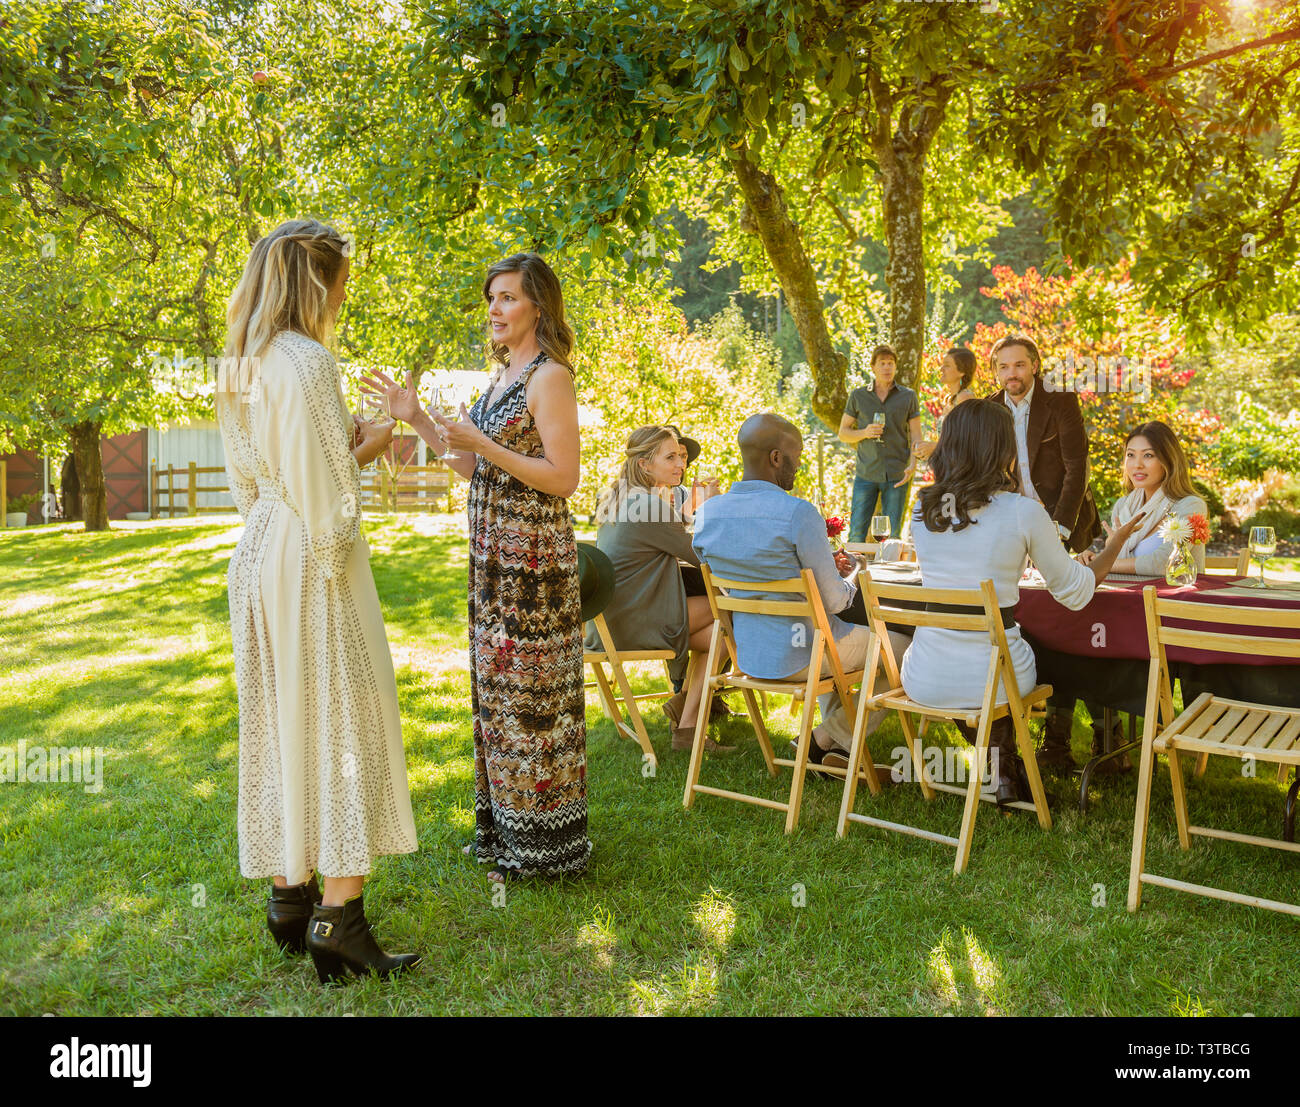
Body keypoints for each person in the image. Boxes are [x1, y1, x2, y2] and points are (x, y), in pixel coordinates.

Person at [217, 218, 420, 984]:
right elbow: (327, 496)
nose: (343, 295)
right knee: (343, 708)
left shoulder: (242, 358)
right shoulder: (305, 360)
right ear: (320, 282)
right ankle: (339, 917)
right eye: (341, 282)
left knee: (284, 717)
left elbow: (254, 478)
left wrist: (335, 456)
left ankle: (288, 895)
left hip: (262, 543)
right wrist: (360, 451)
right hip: (310, 554)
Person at [363, 252, 591, 884]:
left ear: (539, 306)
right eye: (491, 298)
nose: (494, 309)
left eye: (508, 298)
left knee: (533, 699)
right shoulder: (498, 379)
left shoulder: (549, 377)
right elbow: (473, 466)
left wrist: (483, 443)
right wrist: (419, 422)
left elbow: (564, 478)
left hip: (533, 562)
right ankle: (504, 836)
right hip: (491, 553)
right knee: (496, 693)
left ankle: (545, 851)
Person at [901, 399, 1148, 804]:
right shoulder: (1023, 512)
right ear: (1002, 449)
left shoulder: (922, 508)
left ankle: (1003, 765)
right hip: (993, 681)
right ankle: (1014, 760)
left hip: (925, 676)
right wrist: (1114, 545)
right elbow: (1075, 592)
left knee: (1001, 650)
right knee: (1040, 649)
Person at [692, 413, 904, 768]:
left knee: (841, 643)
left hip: (747, 656)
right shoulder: (797, 513)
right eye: (797, 455)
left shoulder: (708, 515)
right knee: (903, 647)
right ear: (776, 458)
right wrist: (852, 573)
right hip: (802, 655)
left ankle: (834, 748)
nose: (799, 464)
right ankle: (823, 738)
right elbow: (835, 601)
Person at [1042, 421, 1209, 772]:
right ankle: (1069, 740)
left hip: (1167, 618)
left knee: (1086, 640)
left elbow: (1160, 564)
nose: (1137, 464)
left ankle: (1109, 739)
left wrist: (1105, 562)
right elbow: (1119, 563)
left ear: (1168, 460)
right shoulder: (1125, 505)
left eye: (1148, 455)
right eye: (1131, 455)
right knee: (1065, 637)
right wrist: (1091, 558)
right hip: (1121, 609)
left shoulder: (1189, 504)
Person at [584, 426, 723, 752]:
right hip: (635, 623)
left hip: (606, 624)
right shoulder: (649, 505)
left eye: (681, 457)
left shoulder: (620, 497)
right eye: (670, 457)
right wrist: (712, 509)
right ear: (645, 465)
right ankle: (686, 715)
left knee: (722, 634)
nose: (681, 464)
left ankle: (686, 725)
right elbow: (701, 557)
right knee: (732, 615)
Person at [988, 334, 1101, 552]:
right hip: (1011, 521)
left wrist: (1059, 529)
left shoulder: (1061, 402)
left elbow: (1077, 468)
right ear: (996, 371)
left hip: (1064, 519)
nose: (1011, 374)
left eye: (1019, 365)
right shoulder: (989, 408)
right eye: (1003, 367)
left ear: (1035, 365)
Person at [838, 344, 922, 542]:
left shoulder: (908, 396)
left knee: (892, 538)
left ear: (896, 367)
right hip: (866, 473)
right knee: (856, 533)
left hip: (896, 474)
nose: (887, 367)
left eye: (891, 363)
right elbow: (843, 433)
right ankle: (855, 572)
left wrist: (913, 465)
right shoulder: (858, 396)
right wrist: (865, 432)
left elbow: (916, 435)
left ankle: (890, 573)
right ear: (873, 367)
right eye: (882, 363)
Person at [910, 346, 978, 467]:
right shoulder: (950, 399)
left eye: (947, 365)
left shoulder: (965, 398)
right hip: (948, 468)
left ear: (962, 371)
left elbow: (968, 442)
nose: (941, 369)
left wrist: (934, 447)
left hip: (962, 472)